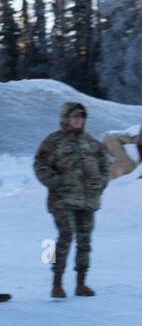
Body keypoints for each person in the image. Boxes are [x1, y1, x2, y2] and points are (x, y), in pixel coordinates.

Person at [33, 102, 109, 298]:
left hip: (87, 201)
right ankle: (57, 283)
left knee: (85, 241)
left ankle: (81, 284)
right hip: (63, 200)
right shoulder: (54, 142)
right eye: (74, 116)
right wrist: (55, 183)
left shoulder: (91, 143)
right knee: (66, 236)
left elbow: (104, 165)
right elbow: (40, 165)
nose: (77, 120)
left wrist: (99, 183)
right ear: (66, 118)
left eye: (81, 116)